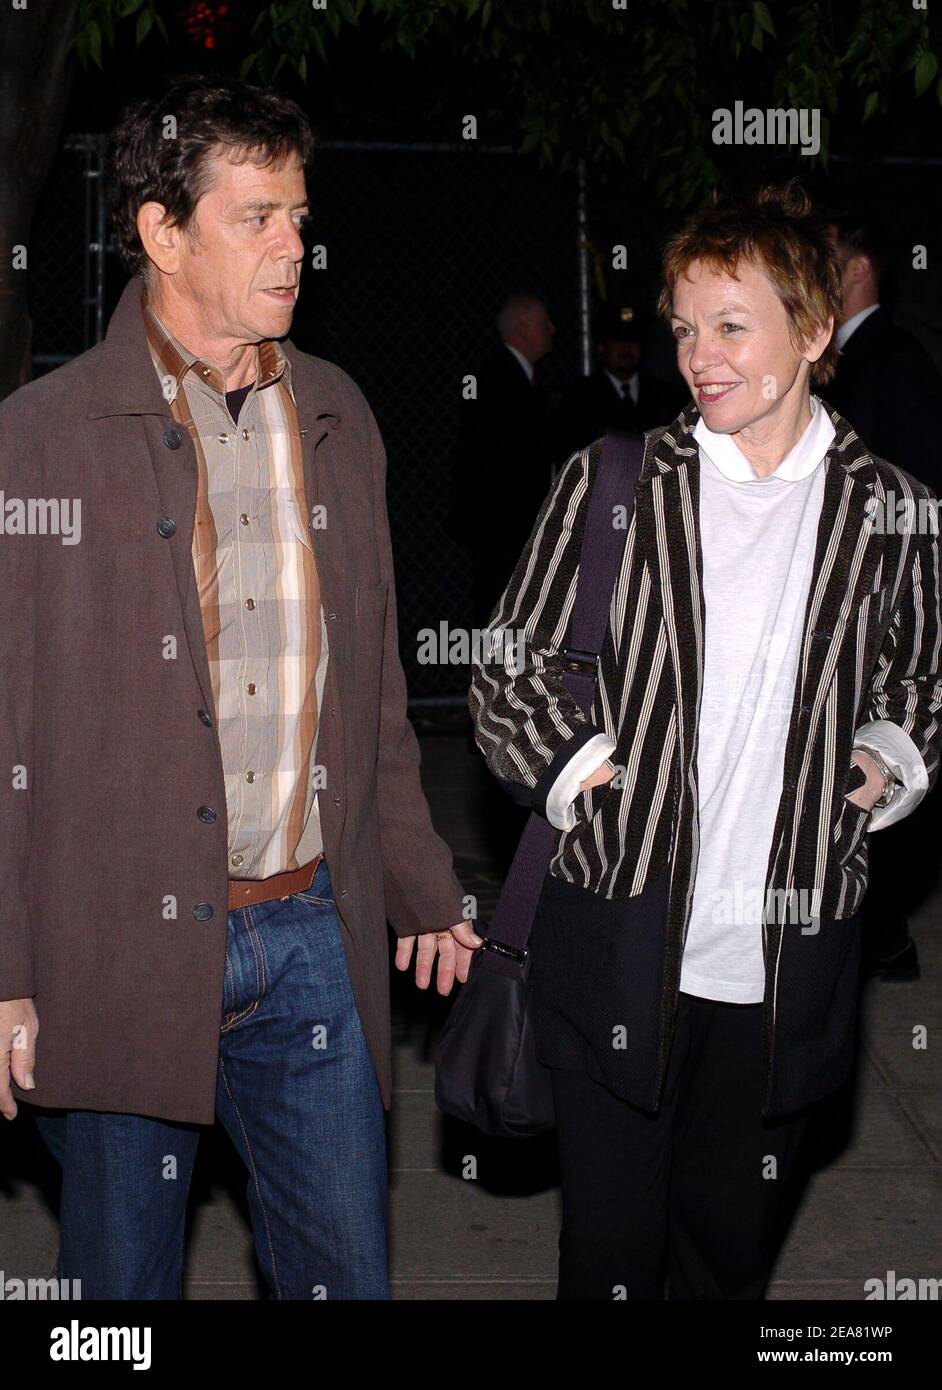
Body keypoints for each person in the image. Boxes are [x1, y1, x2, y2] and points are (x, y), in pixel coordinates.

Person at [0, 74, 481, 1301]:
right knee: (119, 1299)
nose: (293, 246)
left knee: (345, 1280)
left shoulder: (336, 414)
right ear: (164, 233)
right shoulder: (45, 438)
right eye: (257, 215)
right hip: (118, 948)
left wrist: (422, 889)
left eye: (300, 217)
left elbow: (367, 689)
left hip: (309, 928)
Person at [469, 183, 942, 1300]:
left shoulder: (892, 510)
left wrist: (885, 755)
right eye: (686, 327)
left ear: (814, 331)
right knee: (611, 1263)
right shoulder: (615, 484)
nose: (698, 355)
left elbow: (921, 678)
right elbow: (503, 666)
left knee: (723, 1261)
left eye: (732, 326)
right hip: (621, 932)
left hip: (786, 959)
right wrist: (585, 773)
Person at [826, 210, 942, 980]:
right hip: (853, 601)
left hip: (881, 602)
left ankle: (879, 934)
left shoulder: (891, 361)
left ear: (860, 265)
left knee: (878, 755)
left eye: (828, 256)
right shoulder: (853, 359)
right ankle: (870, 929)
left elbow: (919, 492)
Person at [453, 292, 558, 627]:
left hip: (507, 528)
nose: (552, 330)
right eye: (544, 325)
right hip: (508, 529)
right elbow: (505, 464)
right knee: (503, 608)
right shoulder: (502, 381)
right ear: (524, 329)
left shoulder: (511, 377)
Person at [555, 302, 686, 456]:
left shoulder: (666, 397)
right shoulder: (578, 398)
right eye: (617, 340)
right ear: (601, 347)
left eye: (633, 340)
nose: (626, 348)